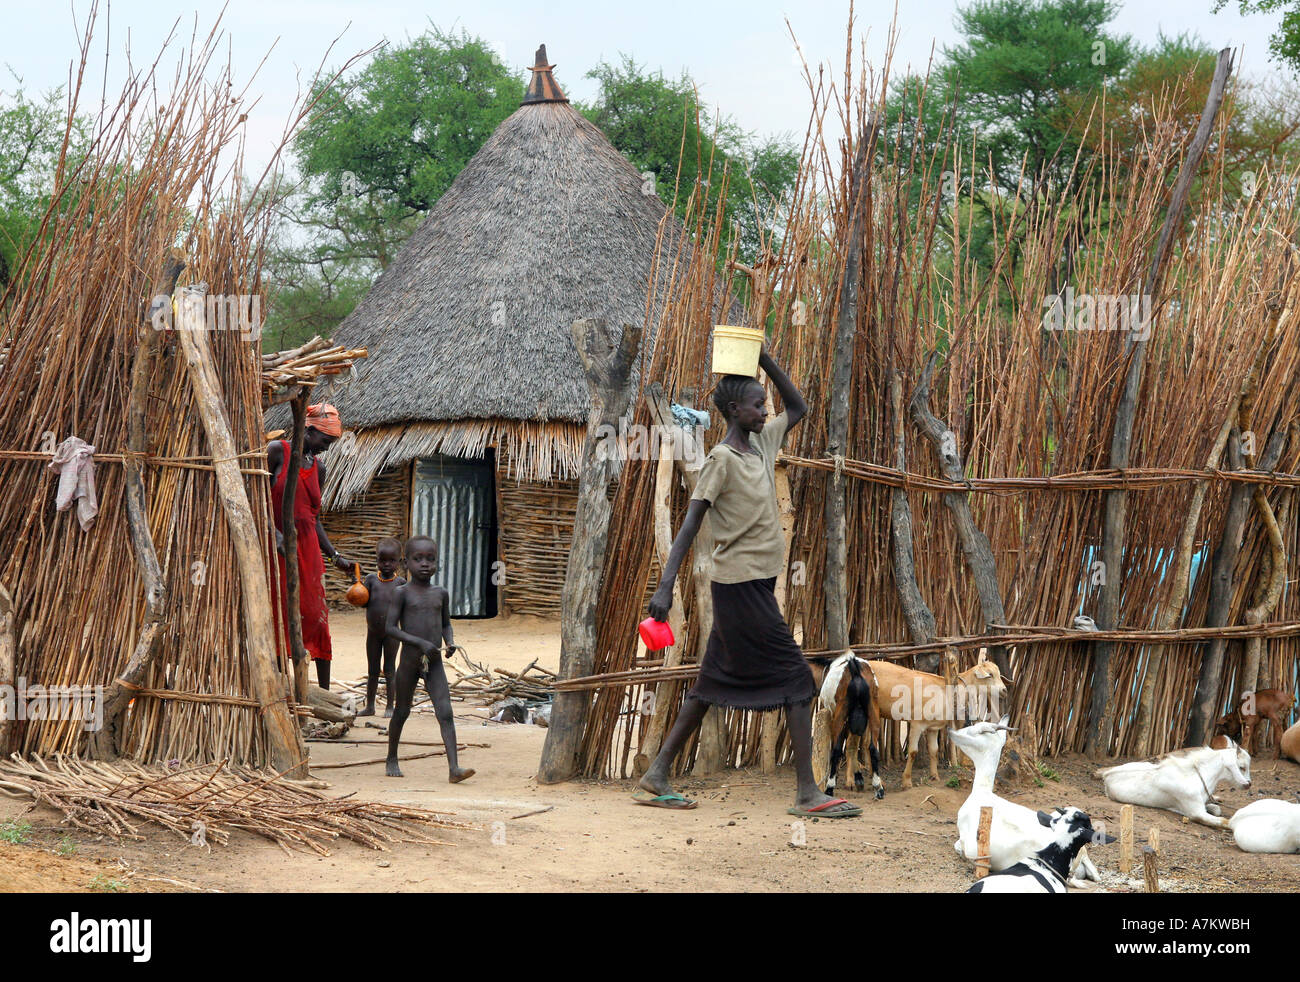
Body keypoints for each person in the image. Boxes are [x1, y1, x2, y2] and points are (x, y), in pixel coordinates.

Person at [636, 347, 861, 817]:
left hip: (754, 586)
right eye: (757, 405)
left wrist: (766, 359)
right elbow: (691, 524)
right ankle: (806, 792)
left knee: (709, 685)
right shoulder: (721, 459)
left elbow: (798, 406)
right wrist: (665, 585)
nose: (765, 411)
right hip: (737, 587)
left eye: (764, 404)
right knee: (798, 679)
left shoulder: (763, 444)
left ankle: (657, 773)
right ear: (734, 412)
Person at [268, 403, 354, 691]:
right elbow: (252, 494)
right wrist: (273, 533)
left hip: (307, 552)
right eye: (325, 441)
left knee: (315, 617)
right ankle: (281, 689)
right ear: (309, 430)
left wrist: (334, 554)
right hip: (276, 550)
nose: (326, 449)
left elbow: (312, 519)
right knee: (279, 615)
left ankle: (324, 694)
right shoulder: (277, 451)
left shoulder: (320, 468)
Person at [384, 535, 474, 783]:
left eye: (430, 559)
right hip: (410, 661)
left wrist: (449, 641)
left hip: (433, 662)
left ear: (437, 563)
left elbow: (445, 623)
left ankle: (454, 768)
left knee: (445, 712)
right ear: (406, 563)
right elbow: (390, 628)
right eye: (418, 559)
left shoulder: (440, 594)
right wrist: (420, 642)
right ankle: (391, 757)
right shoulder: (401, 593)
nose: (425, 564)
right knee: (402, 711)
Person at [360, 538, 406, 717]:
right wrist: (357, 591)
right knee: (372, 670)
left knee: (389, 670)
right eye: (382, 560)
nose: (386, 564)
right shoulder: (371, 580)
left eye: (392, 560)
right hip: (372, 633)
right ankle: (370, 706)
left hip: (392, 634)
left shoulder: (401, 583)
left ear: (399, 562)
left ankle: (389, 707)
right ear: (376, 560)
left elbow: (406, 608)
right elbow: (363, 602)